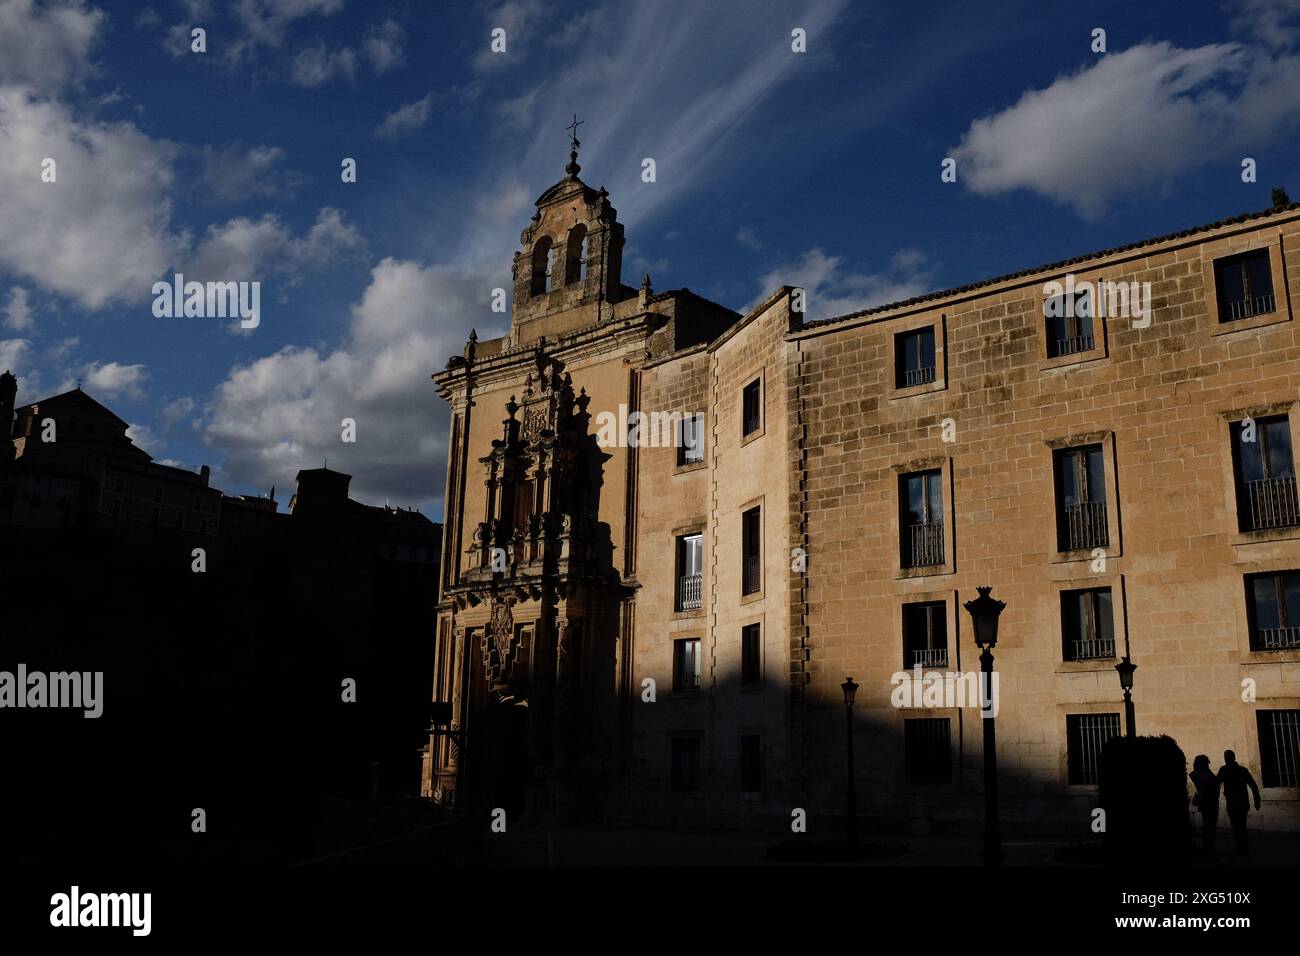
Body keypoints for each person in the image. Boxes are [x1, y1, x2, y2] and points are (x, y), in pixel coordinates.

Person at [1216, 750, 1262, 856]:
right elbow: (1253, 785)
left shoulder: (1224, 770)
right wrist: (1257, 800)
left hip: (1232, 802)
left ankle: (1240, 848)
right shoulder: (1242, 770)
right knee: (1241, 825)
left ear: (1226, 758)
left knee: (1236, 826)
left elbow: (1216, 783)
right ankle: (1243, 848)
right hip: (1242, 801)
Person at [1188, 754, 1220, 854]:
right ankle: (1210, 847)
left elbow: (1192, 774)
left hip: (1203, 802)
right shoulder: (1207, 775)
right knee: (1211, 826)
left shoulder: (1194, 774)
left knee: (1206, 825)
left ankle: (1207, 846)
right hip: (1211, 802)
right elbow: (1215, 782)